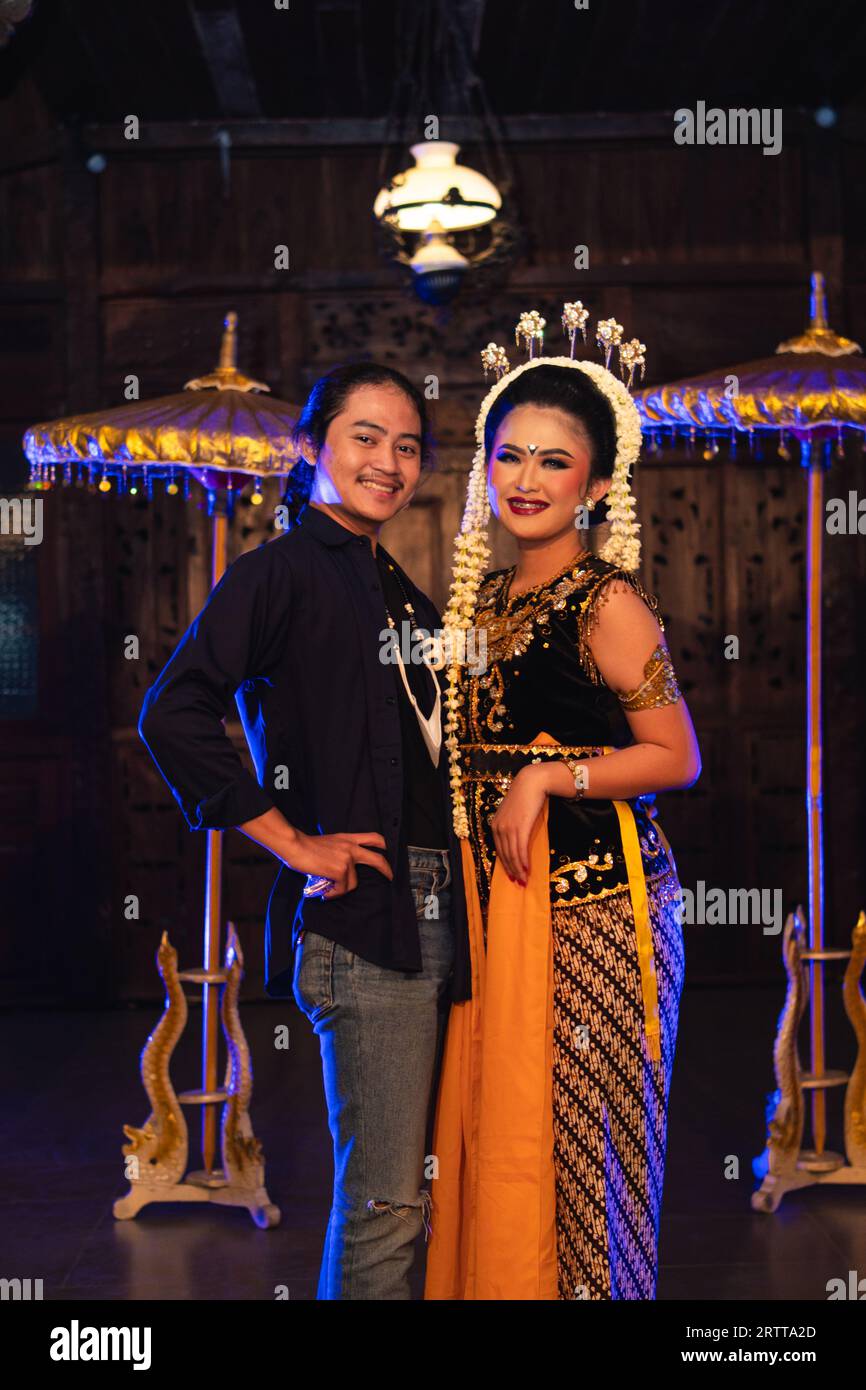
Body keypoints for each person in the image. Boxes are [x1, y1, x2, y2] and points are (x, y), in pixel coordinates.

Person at [138, 361, 470, 1300]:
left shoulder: (391, 582)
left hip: (432, 907)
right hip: (363, 920)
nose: (389, 461)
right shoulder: (277, 573)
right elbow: (173, 712)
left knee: (411, 1195)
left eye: (407, 446)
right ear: (312, 447)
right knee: (386, 1205)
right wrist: (292, 840)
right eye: (365, 437)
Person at [424, 309, 701, 1301]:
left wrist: (550, 776)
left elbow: (675, 755)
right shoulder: (485, 599)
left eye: (552, 461)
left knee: (587, 1156)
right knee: (509, 1141)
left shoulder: (606, 604)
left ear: (593, 484)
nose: (526, 479)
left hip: (596, 911)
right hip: (503, 910)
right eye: (509, 456)